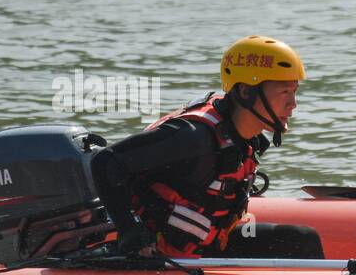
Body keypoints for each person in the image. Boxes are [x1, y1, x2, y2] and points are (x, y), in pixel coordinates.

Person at [91, 36, 324, 259]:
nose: (293, 103)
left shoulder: (244, 138)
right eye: (284, 92)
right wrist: (130, 229)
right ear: (245, 91)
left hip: (208, 245)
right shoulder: (194, 138)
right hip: (160, 256)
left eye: (294, 91)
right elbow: (106, 161)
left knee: (302, 240)